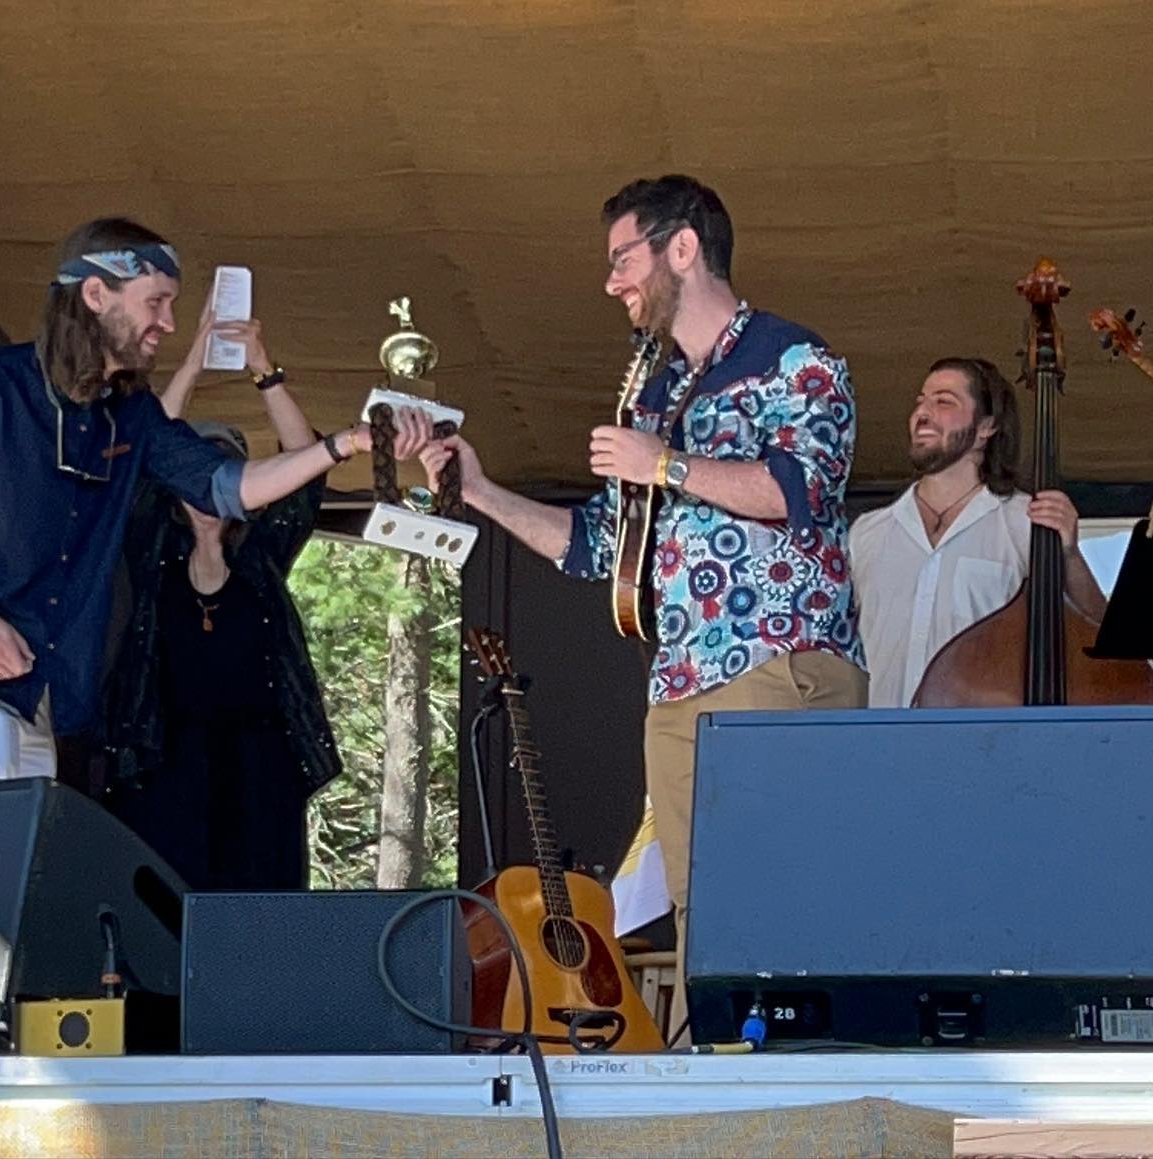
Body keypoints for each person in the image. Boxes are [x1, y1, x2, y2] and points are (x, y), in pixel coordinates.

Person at [420, 174, 866, 1043]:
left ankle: (807, 1070)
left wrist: (663, 463)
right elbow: (598, 546)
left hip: (775, 662)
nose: (613, 282)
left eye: (623, 259)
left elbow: (802, 490)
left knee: (779, 888)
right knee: (703, 900)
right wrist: (478, 490)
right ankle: (722, 1070)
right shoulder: (661, 392)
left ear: (683, 248)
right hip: (678, 676)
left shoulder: (793, 361)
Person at [0, 217, 428, 779]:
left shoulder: (132, 414)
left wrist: (346, 442)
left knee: (17, 876)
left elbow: (230, 487)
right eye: (156, 303)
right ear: (96, 294)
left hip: (42, 701)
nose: (169, 324)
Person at [101, 307, 337, 888]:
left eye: (223, 471)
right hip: (165, 757)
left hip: (261, 763)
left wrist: (264, 371)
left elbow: (304, 473)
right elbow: (139, 447)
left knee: (261, 908)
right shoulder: (152, 547)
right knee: (167, 905)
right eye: (193, 472)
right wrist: (193, 363)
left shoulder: (260, 556)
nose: (207, 486)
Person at [850, 356, 1106, 707]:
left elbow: (1097, 635)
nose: (922, 413)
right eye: (920, 401)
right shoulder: (866, 532)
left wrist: (1069, 554)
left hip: (982, 744)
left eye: (943, 402)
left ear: (986, 427)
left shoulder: (1025, 521)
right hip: (877, 743)